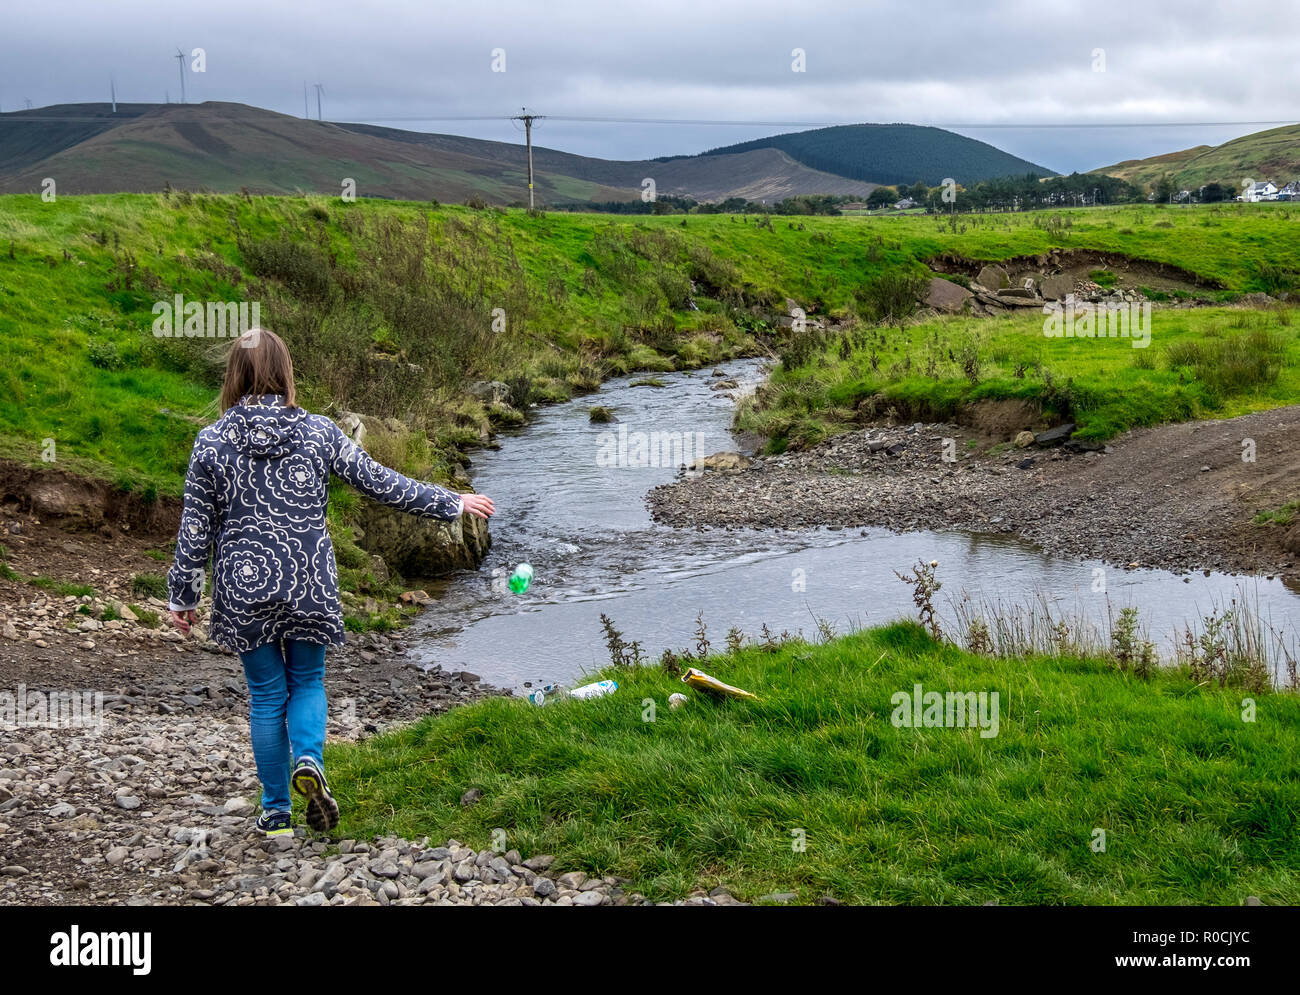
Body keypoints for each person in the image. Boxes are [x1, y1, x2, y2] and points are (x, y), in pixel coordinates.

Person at [167, 328, 494, 837]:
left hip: (243, 586)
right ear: (285, 373)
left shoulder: (210, 441)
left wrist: (183, 596)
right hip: (308, 581)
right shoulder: (319, 432)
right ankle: (311, 763)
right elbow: (380, 481)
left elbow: (194, 528)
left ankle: (276, 814)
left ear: (234, 376)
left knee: (266, 696)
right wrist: (451, 502)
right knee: (308, 682)